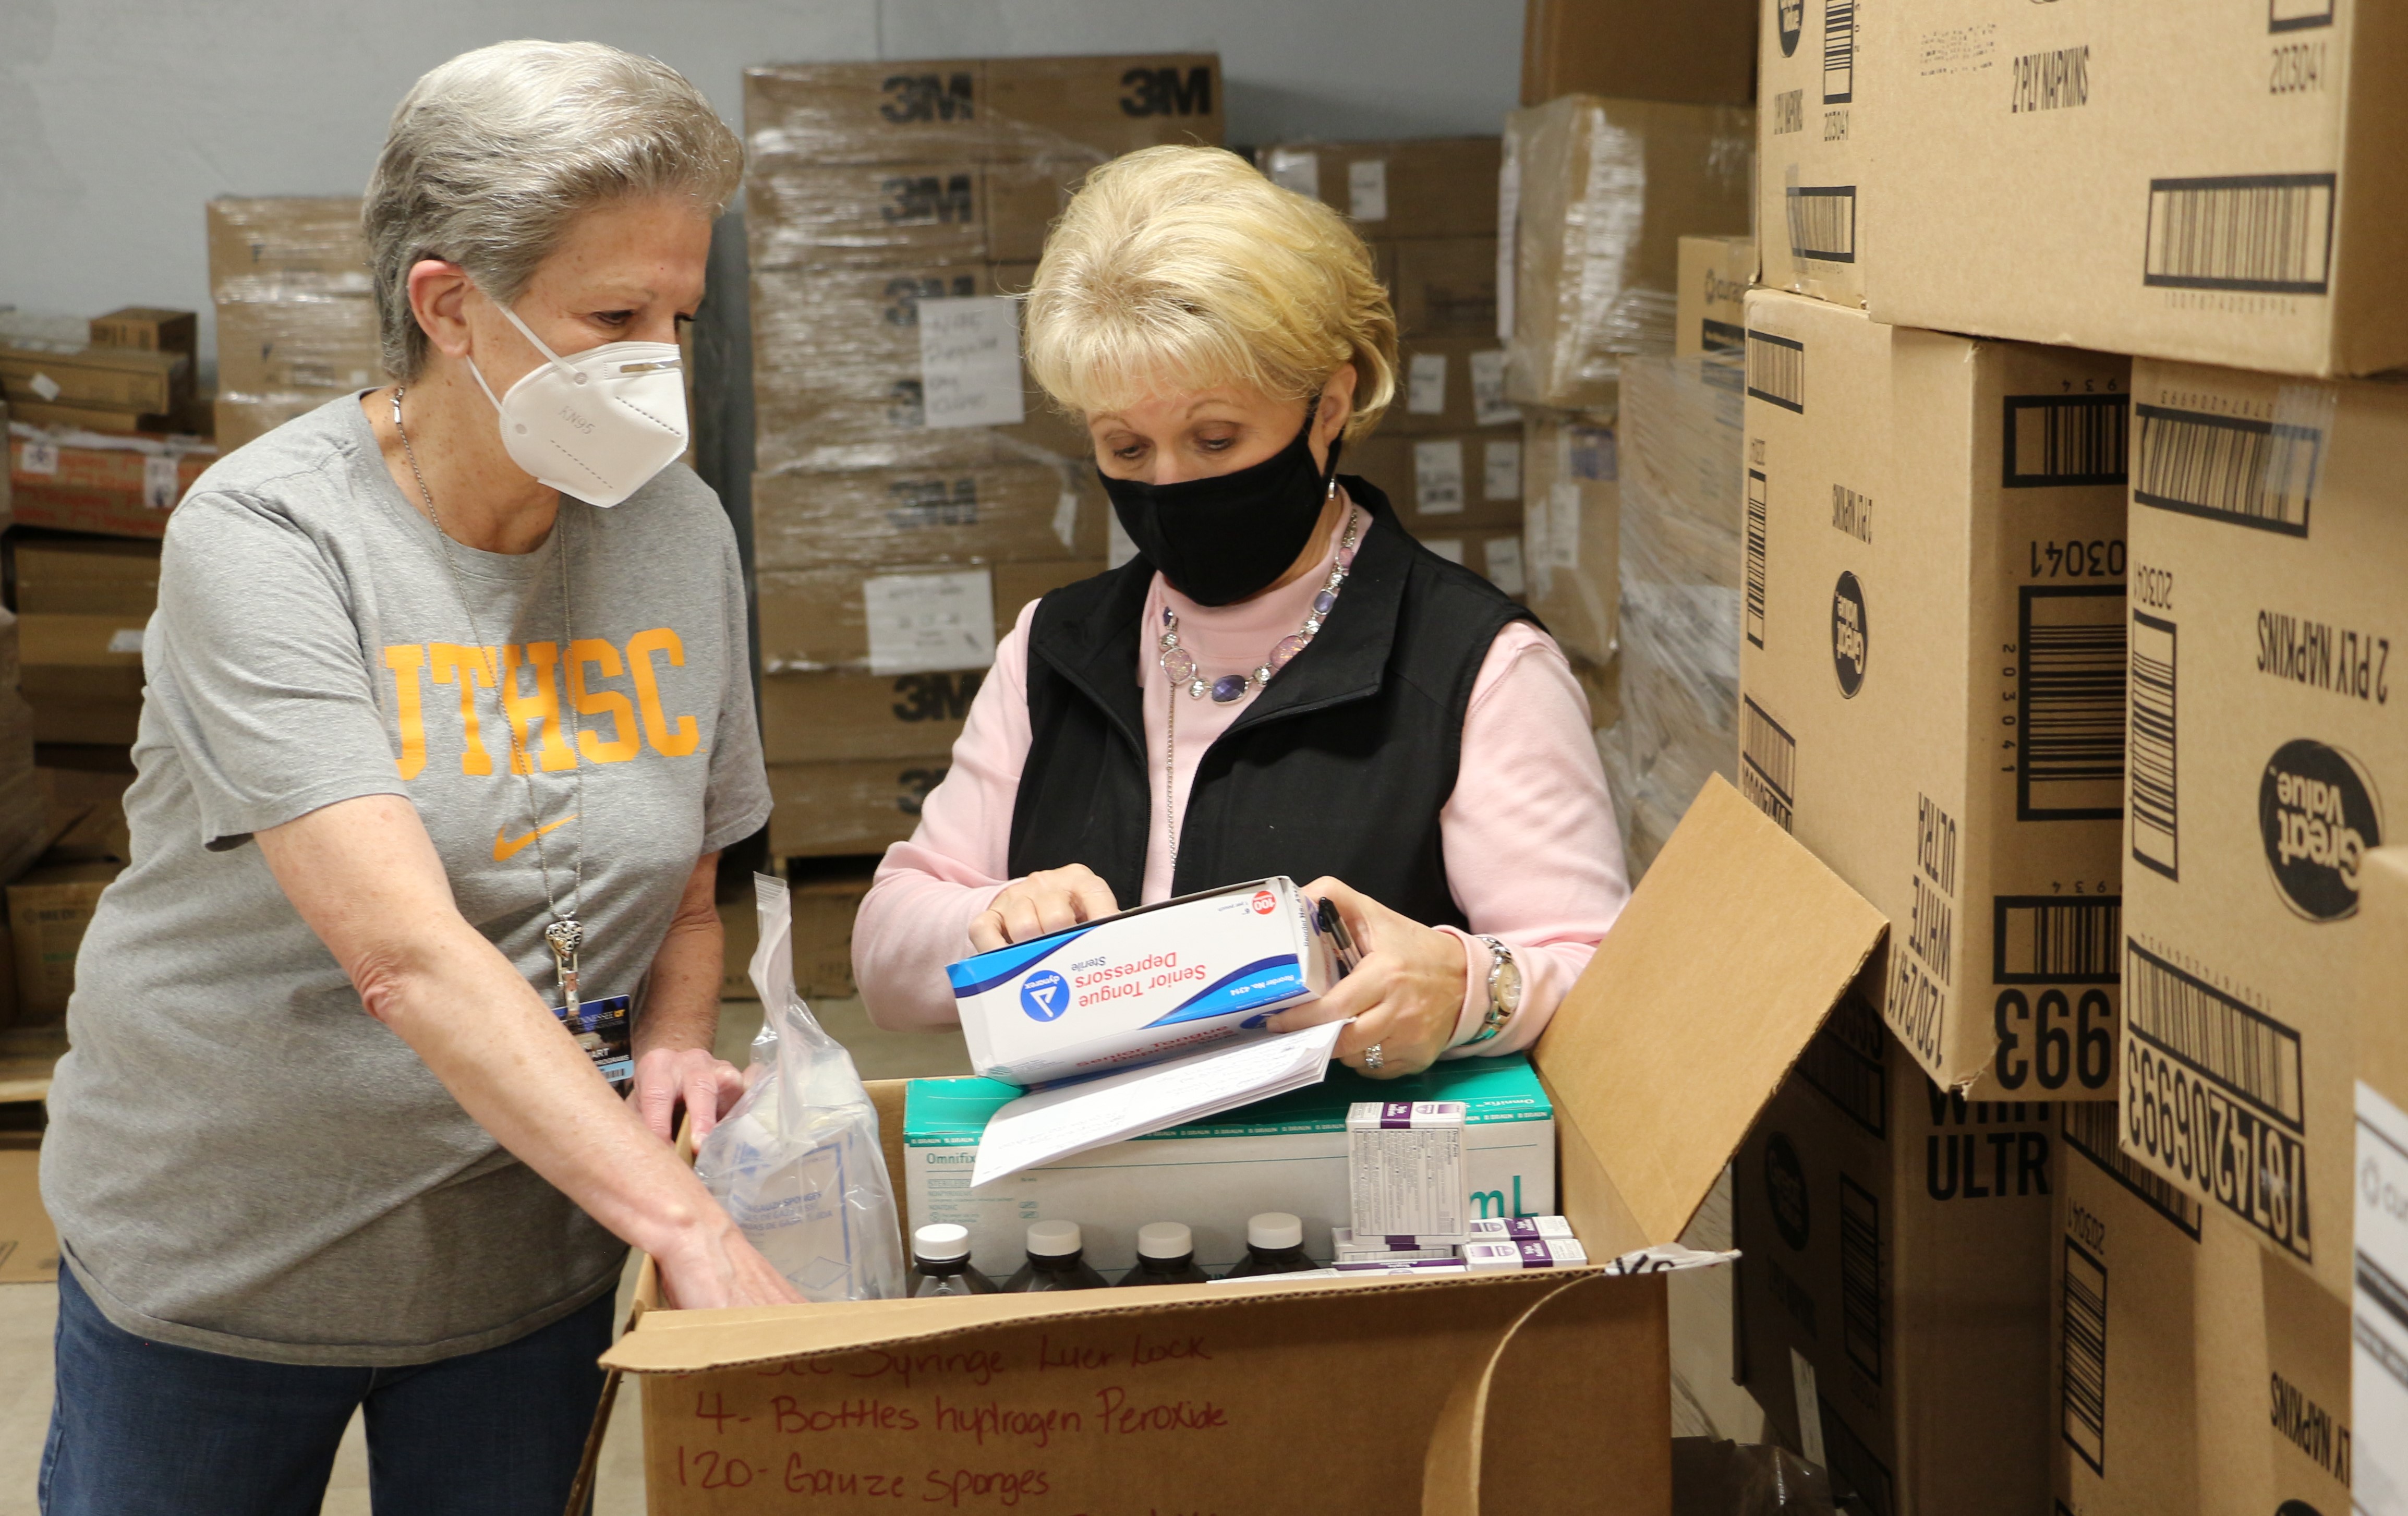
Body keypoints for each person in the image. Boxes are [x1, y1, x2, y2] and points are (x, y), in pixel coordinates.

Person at [38, 41, 797, 1516]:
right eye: (612, 315)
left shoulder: (676, 532)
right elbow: (403, 954)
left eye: (682, 316)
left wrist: (684, 1038)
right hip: (229, 1256)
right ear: (448, 304)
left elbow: (692, 877)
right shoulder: (268, 540)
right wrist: (691, 1228)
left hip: (528, 1265)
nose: (662, 361)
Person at [853, 146, 1629, 1075]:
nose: (1171, 483)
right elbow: (883, 956)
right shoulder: (1056, 650)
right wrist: (987, 921)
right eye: (1126, 449)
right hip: (1091, 1183)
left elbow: (1601, 975)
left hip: (1363, 1180)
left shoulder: (1473, 666)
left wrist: (1466, 986)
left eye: (1215, 438)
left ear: (1328, 404)